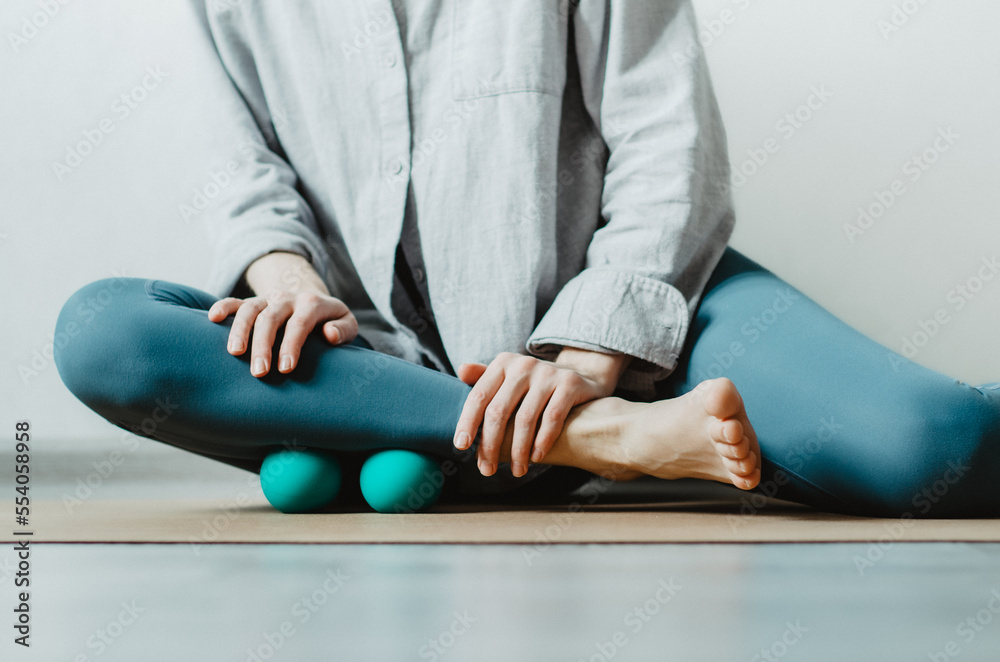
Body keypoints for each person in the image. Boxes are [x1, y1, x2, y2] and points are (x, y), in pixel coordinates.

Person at [54, 0, 1000, 517]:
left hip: (642, 313)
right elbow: (238, 168)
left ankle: (431, 445)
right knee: (101, 334)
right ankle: (608, 447)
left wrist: (589, 357)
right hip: (372, 355)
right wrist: (287, 282)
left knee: (937, 445)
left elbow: (672, 147)